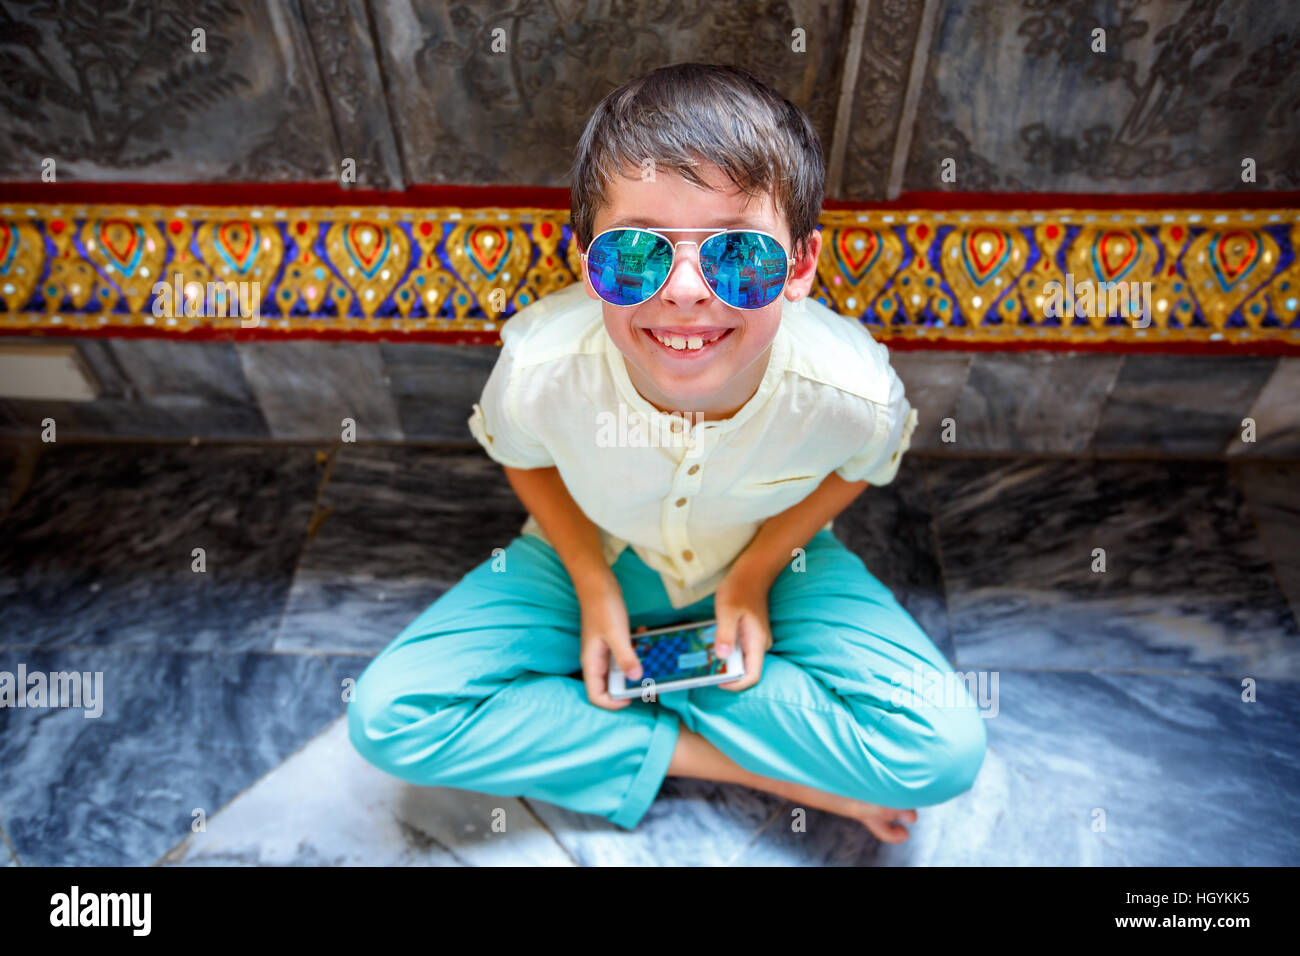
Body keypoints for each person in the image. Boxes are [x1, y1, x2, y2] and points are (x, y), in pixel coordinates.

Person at [349, 63, 985, 842]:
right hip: (585, 551)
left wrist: (753, 575)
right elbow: (523, 455)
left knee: (944, 750)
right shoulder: (540, 370)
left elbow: (862, 468)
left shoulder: (851, 391)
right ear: (584, 261)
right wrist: (590, 580)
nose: (685, 291)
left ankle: (603, 696)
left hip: (773, 563)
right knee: (390, 719)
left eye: (739, 255)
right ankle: (728, 749)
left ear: (801, 266)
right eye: (638, 253)